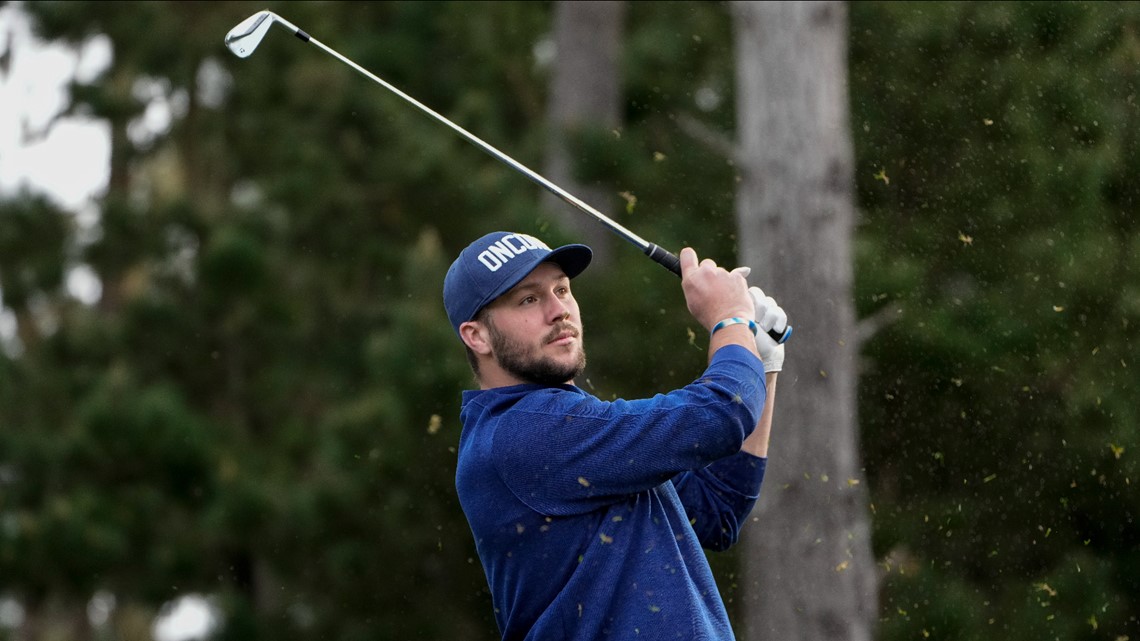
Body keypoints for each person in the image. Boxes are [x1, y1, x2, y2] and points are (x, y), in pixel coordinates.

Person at [442, 230, 786, 640]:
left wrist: (762, 361)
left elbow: (716, 511)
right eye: (529, 299)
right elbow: (724, 410)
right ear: (476, 336)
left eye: (562, 290)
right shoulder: (523, 431)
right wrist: (729, 319)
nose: (558, 311)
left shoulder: (571, 430)